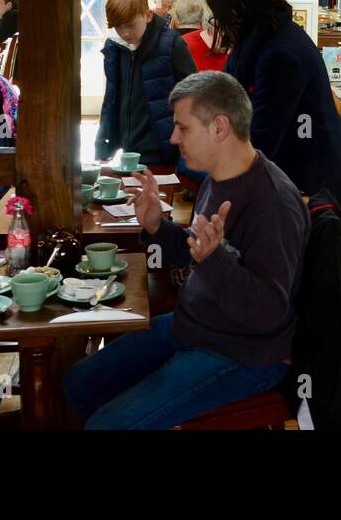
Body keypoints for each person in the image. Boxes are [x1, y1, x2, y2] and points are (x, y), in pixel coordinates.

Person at [64, 73, 307, 429]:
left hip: (243, 352)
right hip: (193, 326)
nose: (173, 137)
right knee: (77, 384)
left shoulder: (273, 204)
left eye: (183, 128)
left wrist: (213, 260)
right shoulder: (216, 177)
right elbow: (197, 250)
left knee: (107, 425)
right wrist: (156, 228)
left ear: (219, 127)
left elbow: (268, 312)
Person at [207, 0, 341, 369]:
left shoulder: (280, 52)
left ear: (237, 13)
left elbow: (265, 131)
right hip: (319, 165)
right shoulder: (269, 36)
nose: (221, 29)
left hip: (321, 172)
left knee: (334, 261)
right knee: (338, 261)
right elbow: (231, 88)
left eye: (221, 18)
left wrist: (223, 164)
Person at [95, 0, 197, 166]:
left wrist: (182, 134)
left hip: (164, 148)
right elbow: (111, 98)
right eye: (118, 27)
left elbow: (193, 92)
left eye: (130, 25)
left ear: (148, 15)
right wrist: (103, 143)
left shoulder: (171, 43)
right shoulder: (115, 47)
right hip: (128, 149)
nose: (125, 33)